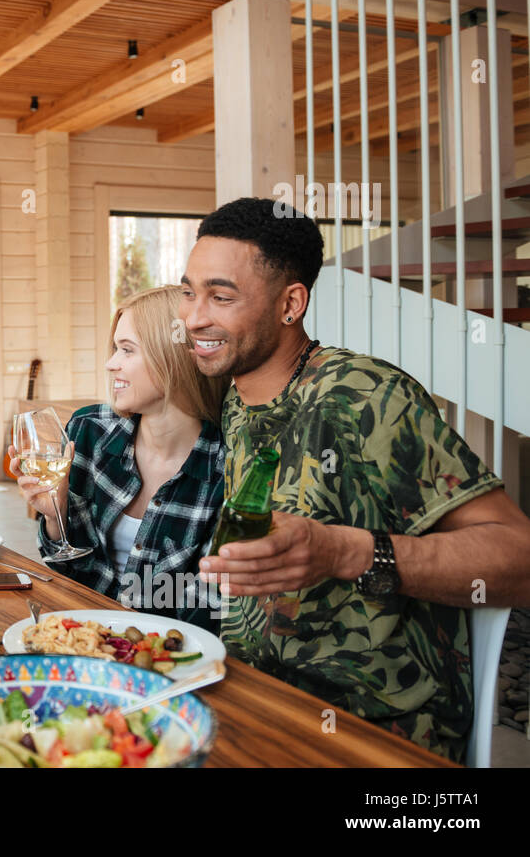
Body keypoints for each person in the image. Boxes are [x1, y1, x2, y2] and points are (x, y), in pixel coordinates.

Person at [181, 196, 530, 762]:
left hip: (372, 729)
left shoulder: (365, 396)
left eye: (221, 296)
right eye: (189, 292)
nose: (194, 317)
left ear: (291, 303)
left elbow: (520, 555)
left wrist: (346, 553)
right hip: (255, 700)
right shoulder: (238, 399)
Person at [9, 285, 229, 630]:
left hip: (164, 659)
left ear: (171, 358)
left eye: (127, 350)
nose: (111, 364)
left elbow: (208, 613)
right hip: (78, 634)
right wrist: (57, 514)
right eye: (115, 349)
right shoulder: (89, 431)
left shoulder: (224, 468)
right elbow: (65, 570)